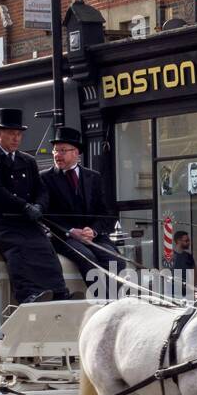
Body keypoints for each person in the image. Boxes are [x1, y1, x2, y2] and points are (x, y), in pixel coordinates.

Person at [0, 108, 69, 305]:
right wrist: (24, 207)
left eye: (19, 134)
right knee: (18, 246)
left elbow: (41, 190)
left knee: (44, 244)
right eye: (11, 134)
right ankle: (28, 294)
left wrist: (39, 206)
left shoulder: (28, 160)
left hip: (24, 219)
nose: (16, 139)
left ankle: (59, 291)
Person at [39, 126, 118, 295]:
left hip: (92, 237)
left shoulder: (93, 177)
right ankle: (103, 301)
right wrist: (70, 231)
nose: (57, 155)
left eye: (63, 150)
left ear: (76, 152)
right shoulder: (44, 178)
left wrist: (94, 231)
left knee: (115, 260)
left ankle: (115, 301)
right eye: (55, 150)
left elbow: (105, 212)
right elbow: (45, 215)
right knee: (87, 257)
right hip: (63, 237)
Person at [166, 229, 197, 295]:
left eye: (189, 240)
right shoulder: (169, 256)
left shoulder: (188, 256)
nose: (189, 243)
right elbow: (164, 273)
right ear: (179, 241)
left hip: (187, 292)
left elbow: (195, 273)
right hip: (172, 293)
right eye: (186, 241)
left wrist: (193, 288)